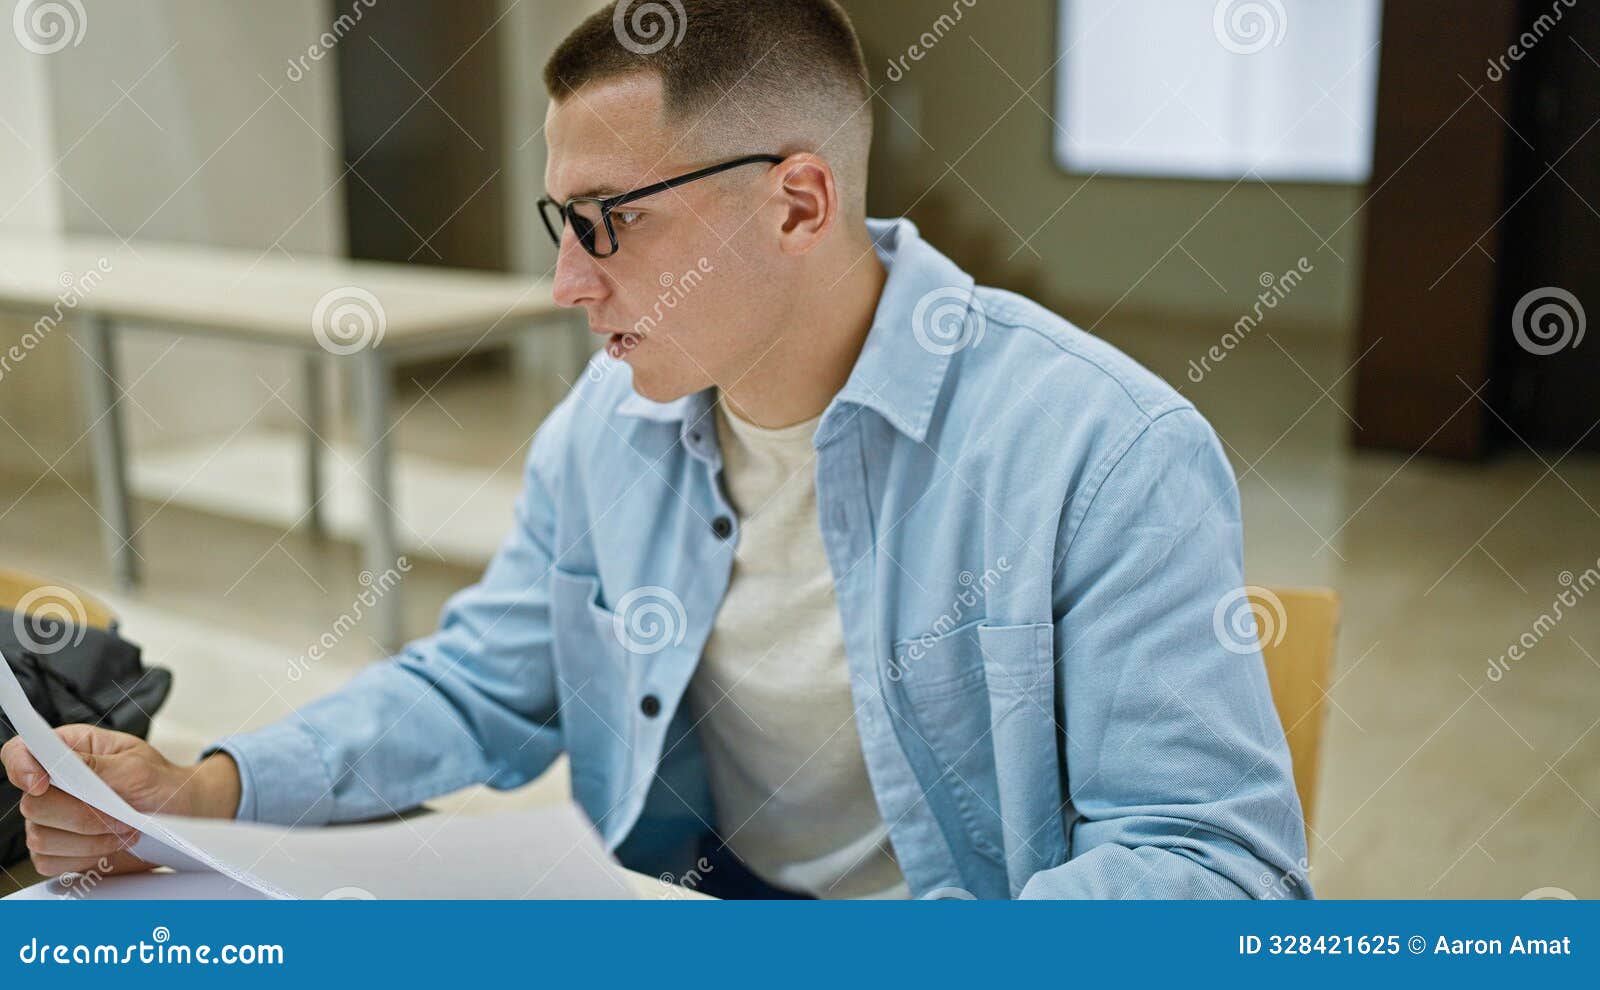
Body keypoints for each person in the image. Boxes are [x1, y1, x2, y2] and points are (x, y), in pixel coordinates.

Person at [2, 0, 1308, 899]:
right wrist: (207, 784)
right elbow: (481, 686)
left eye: (607, 221)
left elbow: (1215, 866)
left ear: (798, 201)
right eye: (556, 219)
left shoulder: (1101, 449)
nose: (567, 282)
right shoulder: (608, 427)